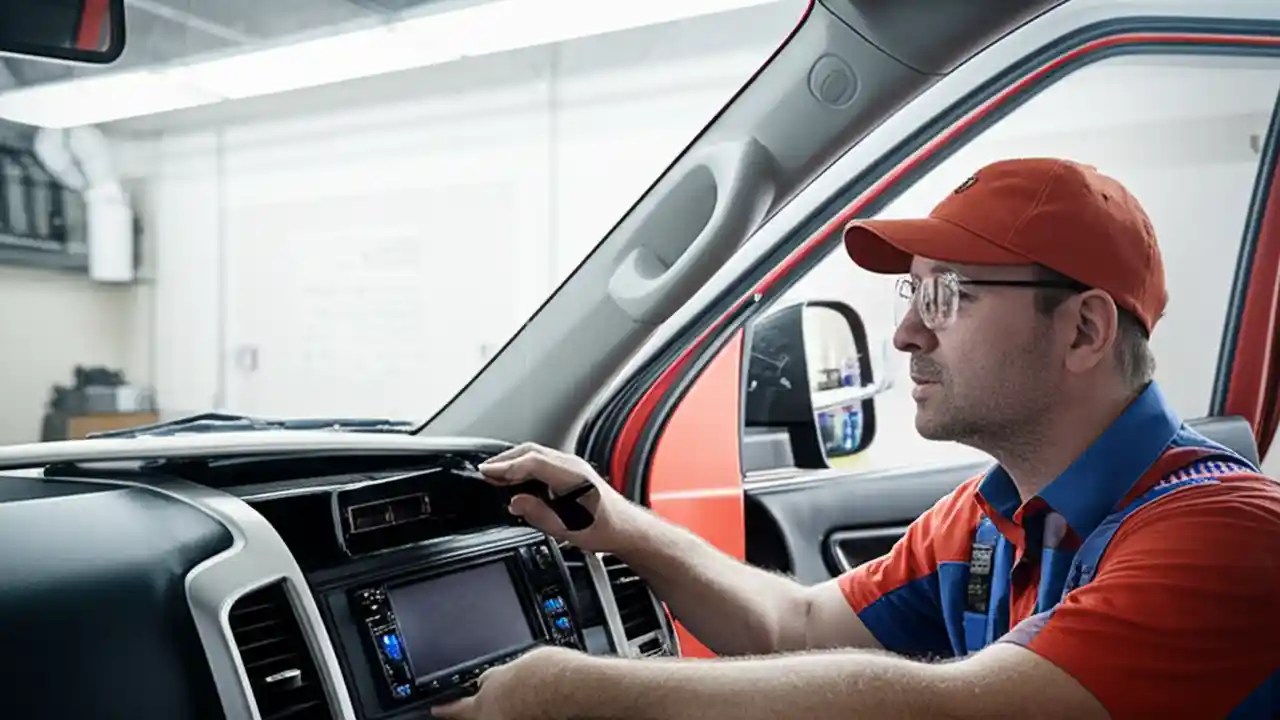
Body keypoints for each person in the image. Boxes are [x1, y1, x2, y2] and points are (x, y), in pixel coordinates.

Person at [432, 157, 1280, 720]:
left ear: (1085, 331)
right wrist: (617, 524)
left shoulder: (1226, 536)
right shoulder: (987, 518)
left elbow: (958, 714)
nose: (907, 333)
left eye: (947, 296)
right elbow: (796, 629)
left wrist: (572, 693)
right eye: (908, 295)